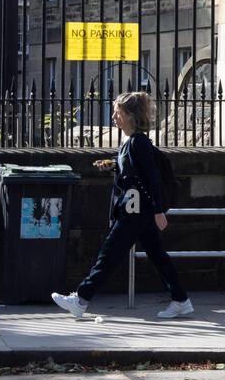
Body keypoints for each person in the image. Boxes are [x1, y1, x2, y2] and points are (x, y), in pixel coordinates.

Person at [52, 91, 193, 319]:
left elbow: (152, 177)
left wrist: (158, 211)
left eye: (118, 112)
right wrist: (113, 166)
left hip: (136, 211)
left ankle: (81, 299)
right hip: (137, 210)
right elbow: (134, 173)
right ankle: (181, 300)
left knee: (109, 253)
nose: (114, 117)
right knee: (157, 255)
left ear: (130, 115)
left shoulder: (139, 143)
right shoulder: (130, 142)